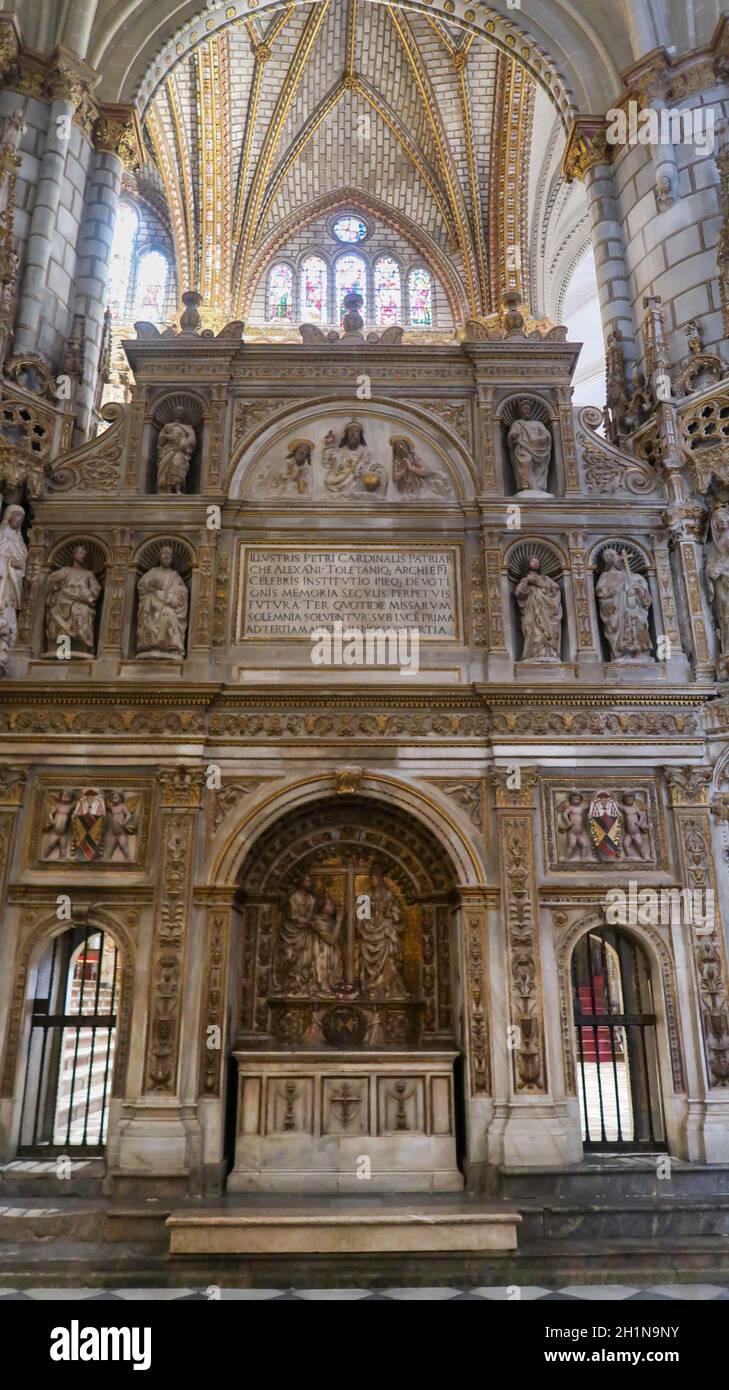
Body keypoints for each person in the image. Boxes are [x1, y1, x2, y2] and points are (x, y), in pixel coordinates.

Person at [0, 503, 27, 674]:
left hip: (12, 581)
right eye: (16, 515)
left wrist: (17, 564)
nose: (18, 520)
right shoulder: (1, 535)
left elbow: (24, 562)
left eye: (21, 518)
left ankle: (5, 642)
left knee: (8, 607)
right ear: (9, 516)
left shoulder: (20, 541)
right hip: (2, 576)